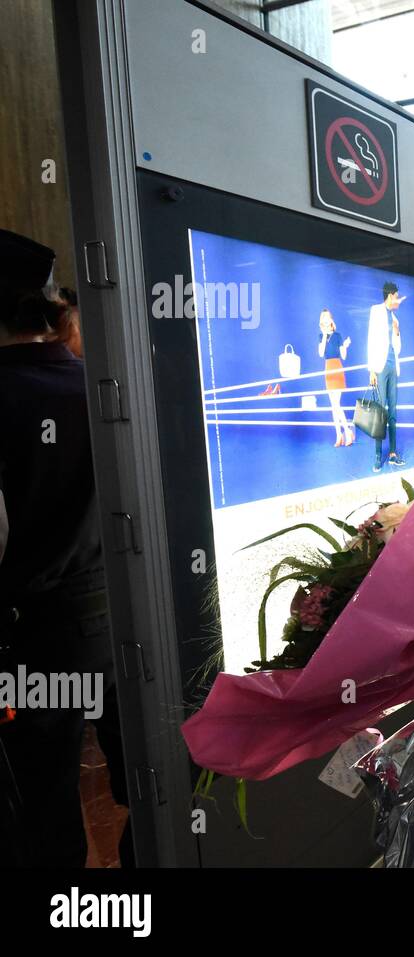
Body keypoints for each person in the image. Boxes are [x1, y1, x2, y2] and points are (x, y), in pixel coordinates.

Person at [0, 229, 127, 867]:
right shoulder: (104, 392)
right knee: (146, 779)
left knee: (45, 799)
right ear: (55, 313)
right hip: (126, 618)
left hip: (35, 641)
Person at [367, 281, 403, 471]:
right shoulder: (376, 311)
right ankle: (377, 455)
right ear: (390, 295)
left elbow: (398, 348)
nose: (397, 300)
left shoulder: (395, 318)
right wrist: (371, 369)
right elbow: (371, 339)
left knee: (393, 412)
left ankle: (393, 454)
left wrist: (396, 334)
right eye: (396, 296)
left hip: (392, 367)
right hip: (380, 368)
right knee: (380, 413)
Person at [317, 309, 353, 448]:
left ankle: (347, 432)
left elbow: (343, 355)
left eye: (327, 317)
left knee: (336, 405)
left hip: (337, 367)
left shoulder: (338, 336)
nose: (326, 320)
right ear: (322, 321)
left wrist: (345, 346)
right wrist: (325, 336)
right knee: (333, 406)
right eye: (323, 318)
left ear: (331, 319)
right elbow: (321, 353)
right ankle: (339, 435)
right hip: (328, 369)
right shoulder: (321, 336)